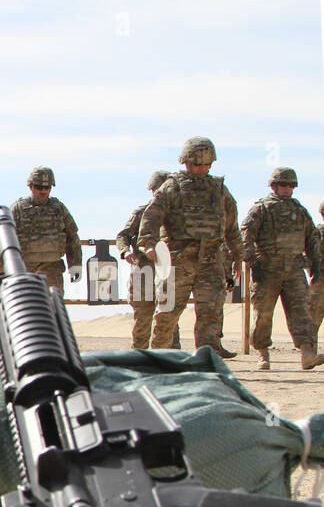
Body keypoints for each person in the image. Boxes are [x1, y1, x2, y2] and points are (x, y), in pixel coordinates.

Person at [137, 137, 242, 357]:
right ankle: (160, 359)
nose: (203, 169)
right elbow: (151, 217)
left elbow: (232, 225)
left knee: (211, 314)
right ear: (186, 161)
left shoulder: (219, 189)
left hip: (212, 260)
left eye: (207, 164)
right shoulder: (172, 187)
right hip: (178, 259)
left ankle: (207, 359)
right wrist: (148, 243)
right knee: (167, 314)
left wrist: (238, 256)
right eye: (198, 164)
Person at [239, 168, 324, 370]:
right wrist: (252, 261)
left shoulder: (300, 210)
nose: (288, 189)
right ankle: (263, 355)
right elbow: (246, 235)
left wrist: (316, 264)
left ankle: (307, 354)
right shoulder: (261, 209)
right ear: (274, 186)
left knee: (301, 312)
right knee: (263, 315)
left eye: (291, 185)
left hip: (294, 269)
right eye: (284, 185)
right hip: (267, 268)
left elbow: (311, 239)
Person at [116, 170, 177, 348]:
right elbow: (123, 236)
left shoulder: (176, 216)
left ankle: (168, 360)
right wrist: (126, 252)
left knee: (168, 318)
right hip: (144, 270)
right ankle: (139, 359)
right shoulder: (142, 212)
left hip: (167, 271)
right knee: (143, 319)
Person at [8, 166, 81, 299]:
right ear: (30, 186)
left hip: (52, 268)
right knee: (26, 307)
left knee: (54, 307)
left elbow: (72, 237)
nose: (43, 191)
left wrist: (75, 265)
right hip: (24, 268)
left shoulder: (59, 208)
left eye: (47, 188)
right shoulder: (17, 209)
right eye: (39, 187)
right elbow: (5, 241)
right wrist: (3, 271)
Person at [310, 198, 324, 338]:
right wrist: (313, 273)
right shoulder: (318, 232)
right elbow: (310, 254)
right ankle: (310, 352)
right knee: (314, 319)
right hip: (320, 280)